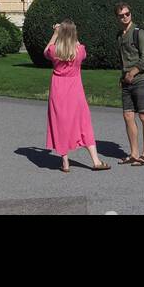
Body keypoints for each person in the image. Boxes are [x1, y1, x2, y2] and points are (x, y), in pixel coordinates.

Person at [45, 20, 109, 173]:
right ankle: (95, 160)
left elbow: (46, 50)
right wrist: (71, 34)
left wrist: (55, 33)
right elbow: (81, 48)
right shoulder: (79, 50)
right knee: (84, 123)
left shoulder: (54, 51)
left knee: (60, 124)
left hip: (58, 90)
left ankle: (65, 162)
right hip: (75, 91)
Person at [116, 2, 144, 166]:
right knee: (128, 116)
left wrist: (132, 72)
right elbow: (123, 60)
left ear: (131, 14)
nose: (125, 17)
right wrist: (123, 77)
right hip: (127, 81)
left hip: (142, 79)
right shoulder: (120, 35)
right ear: (117, 17)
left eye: (127, 13)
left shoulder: (139, 33)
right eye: (121, 15)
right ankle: (134, 153)